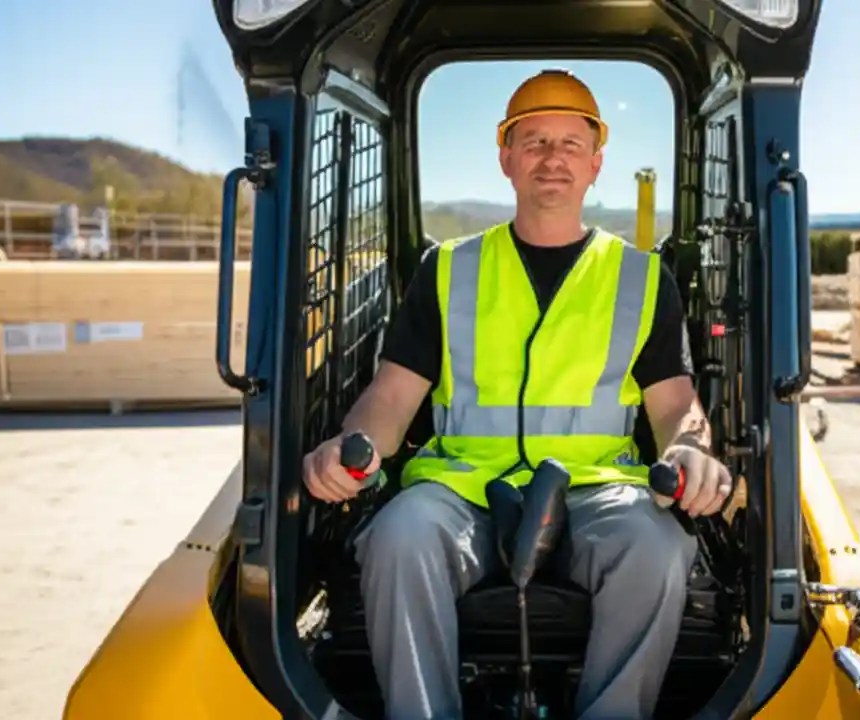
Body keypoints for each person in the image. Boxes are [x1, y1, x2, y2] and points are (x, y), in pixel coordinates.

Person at [302, 68, 733, 720]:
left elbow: (675, 403)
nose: (552, 159)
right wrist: (349, 448)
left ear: (595, 163)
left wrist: (692, 450)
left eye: (569, 144)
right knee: (398, 534)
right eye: (533, 142)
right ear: (506, 158)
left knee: (659, 545)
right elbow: (391, 397)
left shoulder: (643, 279)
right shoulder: (446, 270)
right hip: (461, 488)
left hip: (599, 489)